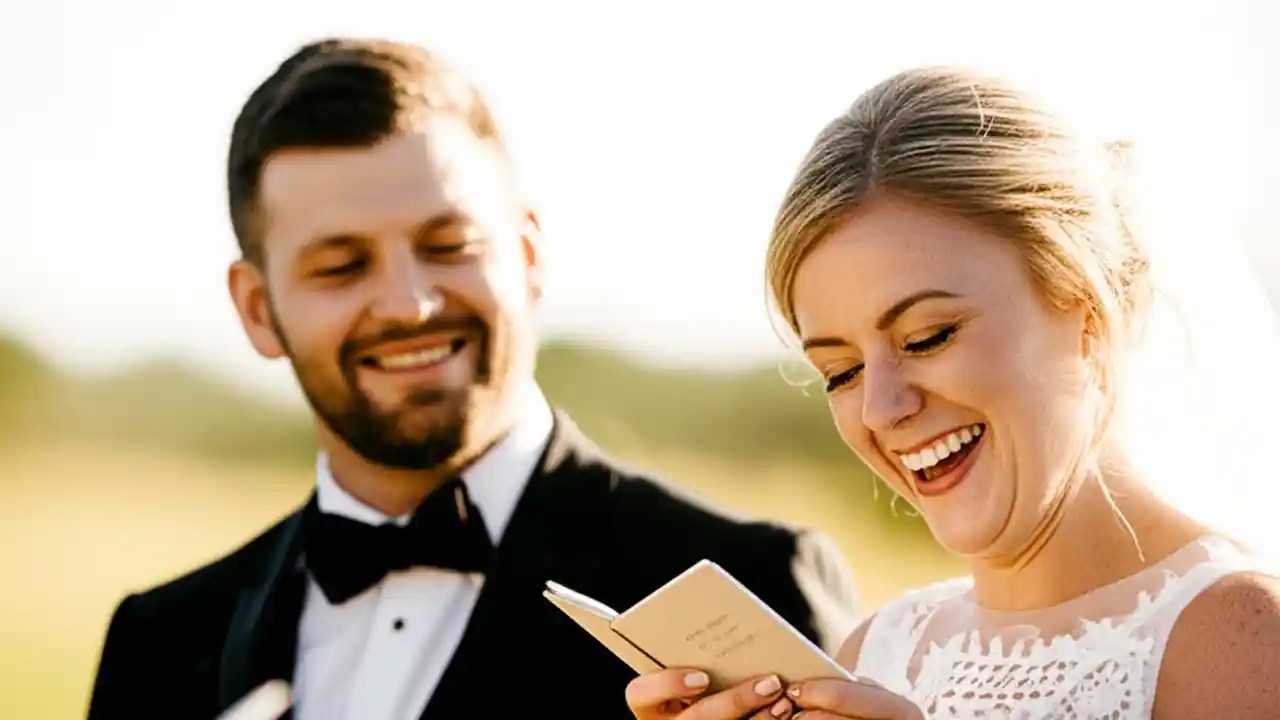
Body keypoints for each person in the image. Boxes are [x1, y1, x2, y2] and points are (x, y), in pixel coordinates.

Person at [86, 37, 859, 720]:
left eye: (448, 243)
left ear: (527, 256)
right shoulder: (156, 644)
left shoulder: (752, 588)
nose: (410, 303)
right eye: (341, 266)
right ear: (258, 311)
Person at [625, 66, 1280, 719]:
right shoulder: (873, 654)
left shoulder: (1244, 641)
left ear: (1084, 309)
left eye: (927, 337)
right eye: (841, 372)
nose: (883, 409)